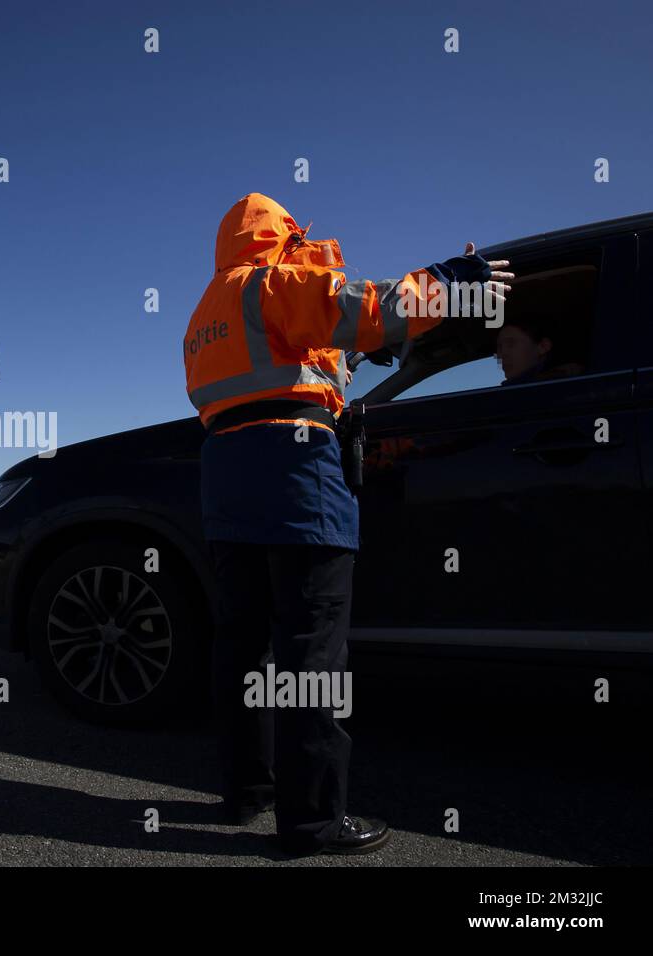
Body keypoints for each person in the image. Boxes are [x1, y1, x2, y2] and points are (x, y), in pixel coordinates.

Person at [183, 193, 511, 855]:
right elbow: (369, 307)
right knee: (312, 654)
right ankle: (312, 823)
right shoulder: (275, 280)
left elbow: (272, 368)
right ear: (278, 236)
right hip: (295, 471)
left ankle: (247, 792)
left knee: (243, 649)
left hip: (226, 475)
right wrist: (450, 282)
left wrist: (348, 360)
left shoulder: (205, 312)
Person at [496, 315, 583, 384]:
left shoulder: (558, 388)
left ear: (543, 346)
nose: (502, 354)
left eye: (511, 344)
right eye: (499, 347)